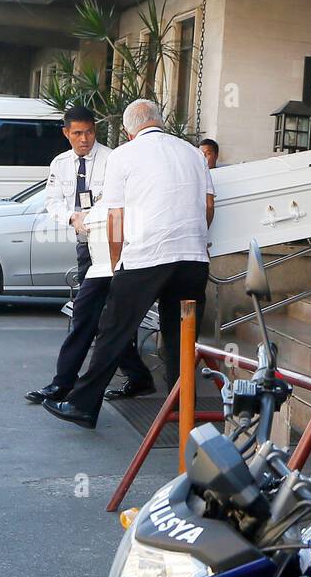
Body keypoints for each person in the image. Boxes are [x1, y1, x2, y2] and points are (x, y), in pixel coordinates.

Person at [43, 99, 214, 428]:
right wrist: (199, 239)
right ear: (160, 121)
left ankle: (82, 405)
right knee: (182, 337)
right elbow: (208, 204)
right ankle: (182, 410)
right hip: (192, 258)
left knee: (114, 330)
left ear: (128, 130)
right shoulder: (193, 153)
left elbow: (115, 216)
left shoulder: (123, 155)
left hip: (146, 257)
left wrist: (118, 259)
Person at [25, 105, 154, 405]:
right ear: (66, 133)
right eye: (78, 133)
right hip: (87, 246)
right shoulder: (60, 164)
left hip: (116, 245)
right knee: (100, 318)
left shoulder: (113, 159)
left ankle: (63, 384)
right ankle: (137, 376)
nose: (85, 139)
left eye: (90, 132)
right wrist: (73, 218)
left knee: (90, 315)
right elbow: (53, 201)